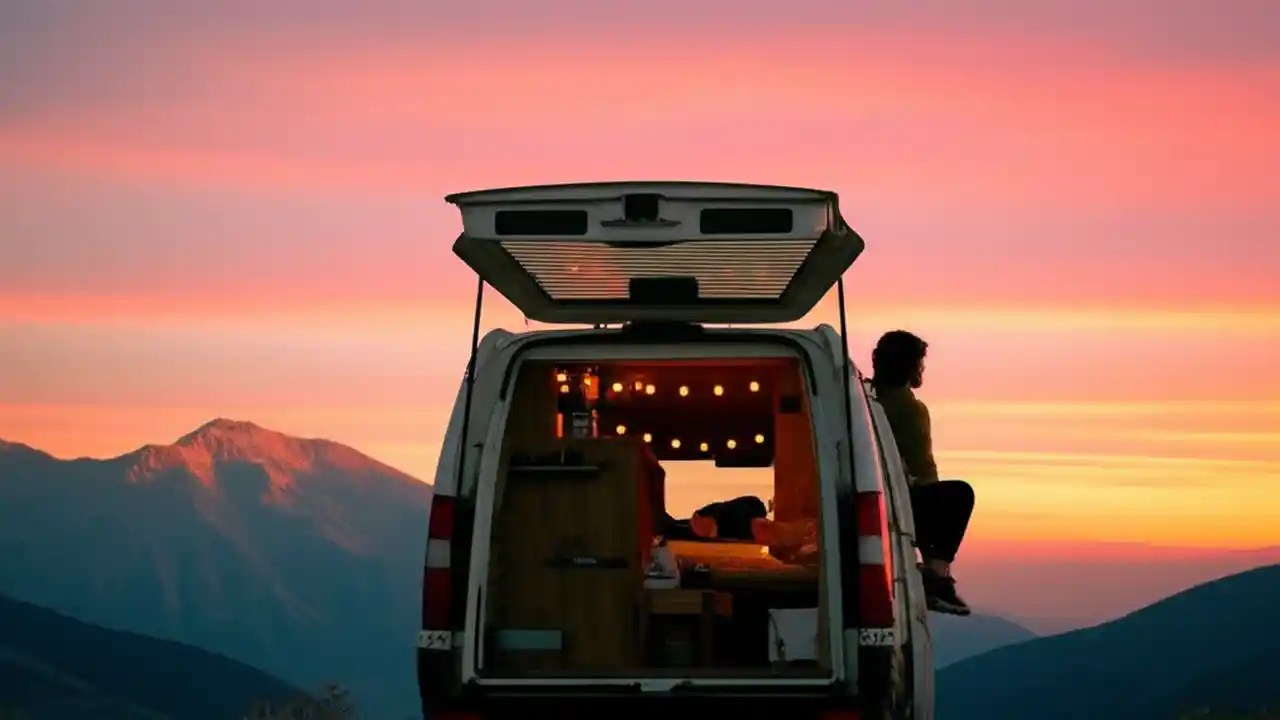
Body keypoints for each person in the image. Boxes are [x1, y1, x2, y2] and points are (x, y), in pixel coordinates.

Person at [871, 330, 974, 616]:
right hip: (911, 497)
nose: (922, 370)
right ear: (910, 366)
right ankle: (937, 575)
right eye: (919, 364)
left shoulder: (870, 399)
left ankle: (935, 574)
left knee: (944, 501)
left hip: (906, 495)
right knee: (960, 494)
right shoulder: (903, 407)